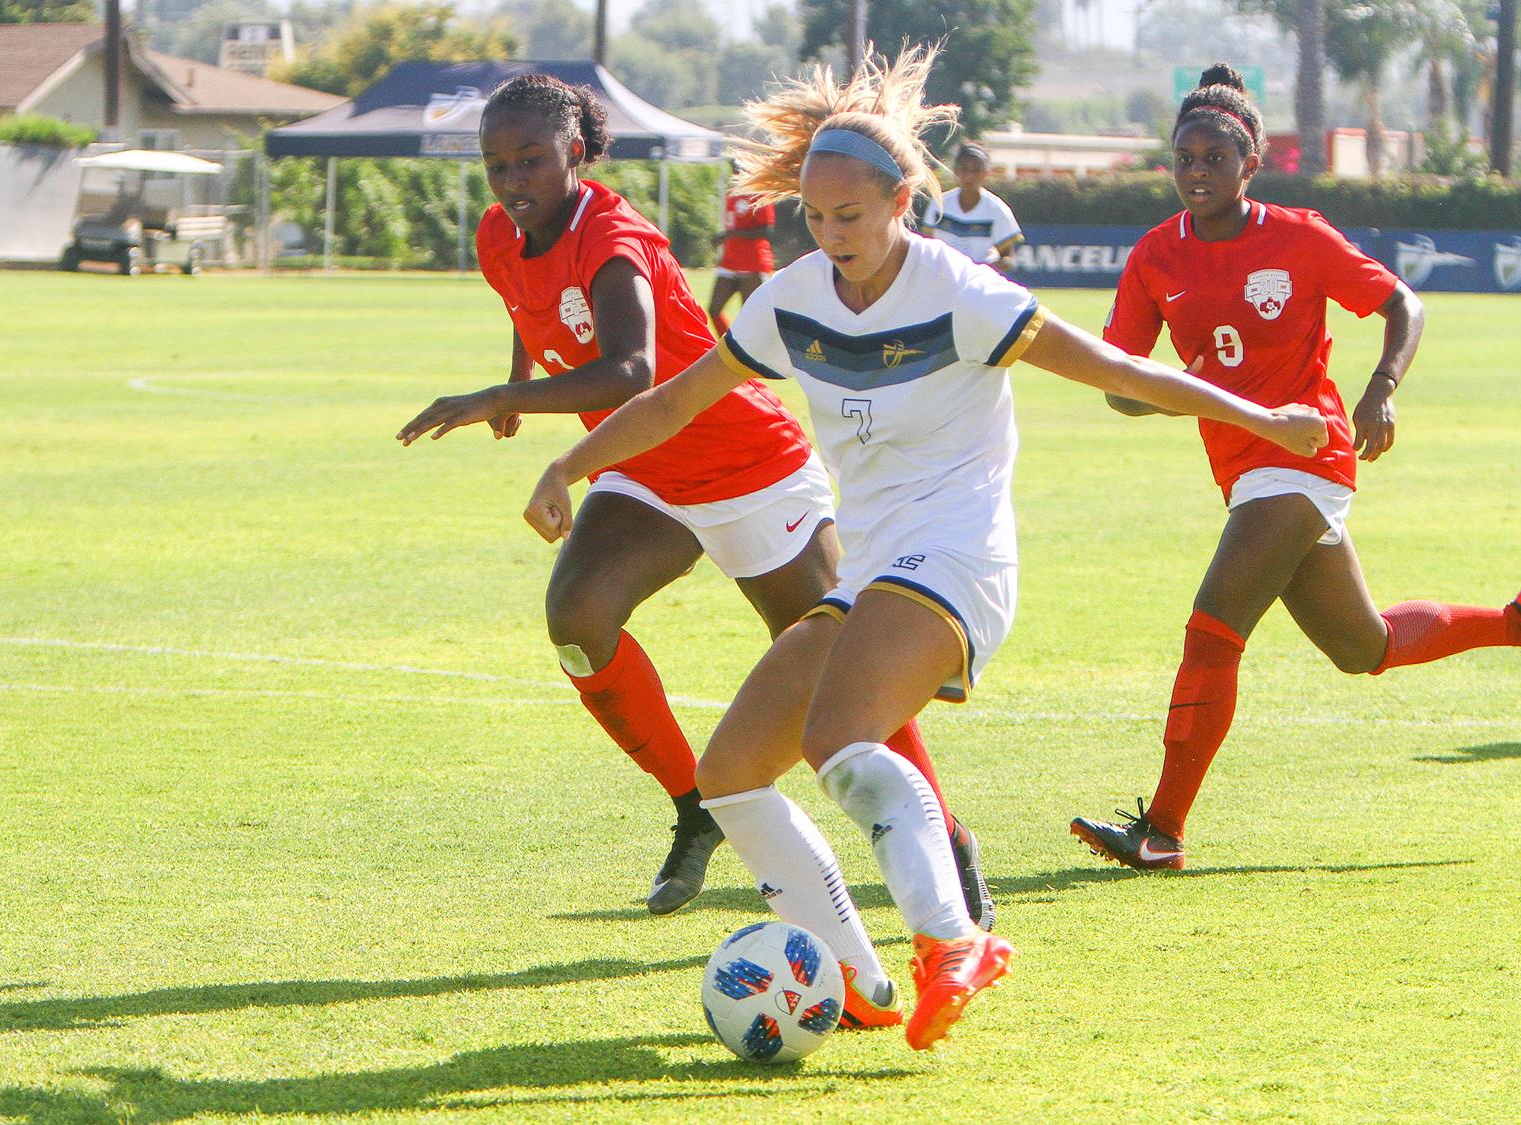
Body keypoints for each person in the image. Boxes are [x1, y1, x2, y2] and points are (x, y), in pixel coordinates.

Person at [522, 48, 1329, 1050]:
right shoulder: (793, 297)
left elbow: (1121, 369)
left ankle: (954, 942)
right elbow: (673, 400)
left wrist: (1267, 417)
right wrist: (571, 464)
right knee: (730, 775)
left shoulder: (961, 293)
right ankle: (855, 980)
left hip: (956, 560)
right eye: (814, 218)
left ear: (900, 201)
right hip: (870, 573)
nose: (831, 236)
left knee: (840, 738)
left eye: (849, 216)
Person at [395, 74, 989, 925]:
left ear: (575, 153)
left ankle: (946, 839)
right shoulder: (500, 233)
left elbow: (633, 370)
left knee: (841, 668)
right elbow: (528, 303)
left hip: (748, 464)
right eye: (497, 164)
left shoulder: (612, 237)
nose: (513, 180)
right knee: (577, 618)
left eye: (531, 159)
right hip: (643, 473)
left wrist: (499, 397)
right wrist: (520, 375)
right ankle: (694, 804)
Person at [1068, 65, 1521, 873]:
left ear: (1251, 165)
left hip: (1306, 455)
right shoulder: (1155, 256)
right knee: (1365, 646)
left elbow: (1404, 304)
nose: (1196, 172)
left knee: (1213, 625)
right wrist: (1194, 396)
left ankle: (1162, 830)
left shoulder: (1300, 237)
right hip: (1243, 470)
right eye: (1184, 158)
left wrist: (1381, 388)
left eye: (1215, 158)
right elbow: (1120, 387)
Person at [919, 142, 1022, 270]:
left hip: (978, 277)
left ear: (986, 173)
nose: (969, 176)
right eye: (964, 168)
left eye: (976, 169)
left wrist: (992, 267)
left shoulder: (997, 210)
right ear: (956, 171)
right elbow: (928, 244)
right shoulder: (939, 204)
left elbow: (1007, 257)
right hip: (942, 275)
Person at [706, 191, 775, 336]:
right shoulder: (731, 194)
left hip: (752, 263)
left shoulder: (759, 195)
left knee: (750, 314)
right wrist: (725, 237)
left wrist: (731, 234)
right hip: (730, 262)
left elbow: (765, 230)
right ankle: (729, 344)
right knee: (714, 309)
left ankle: (754, 347)